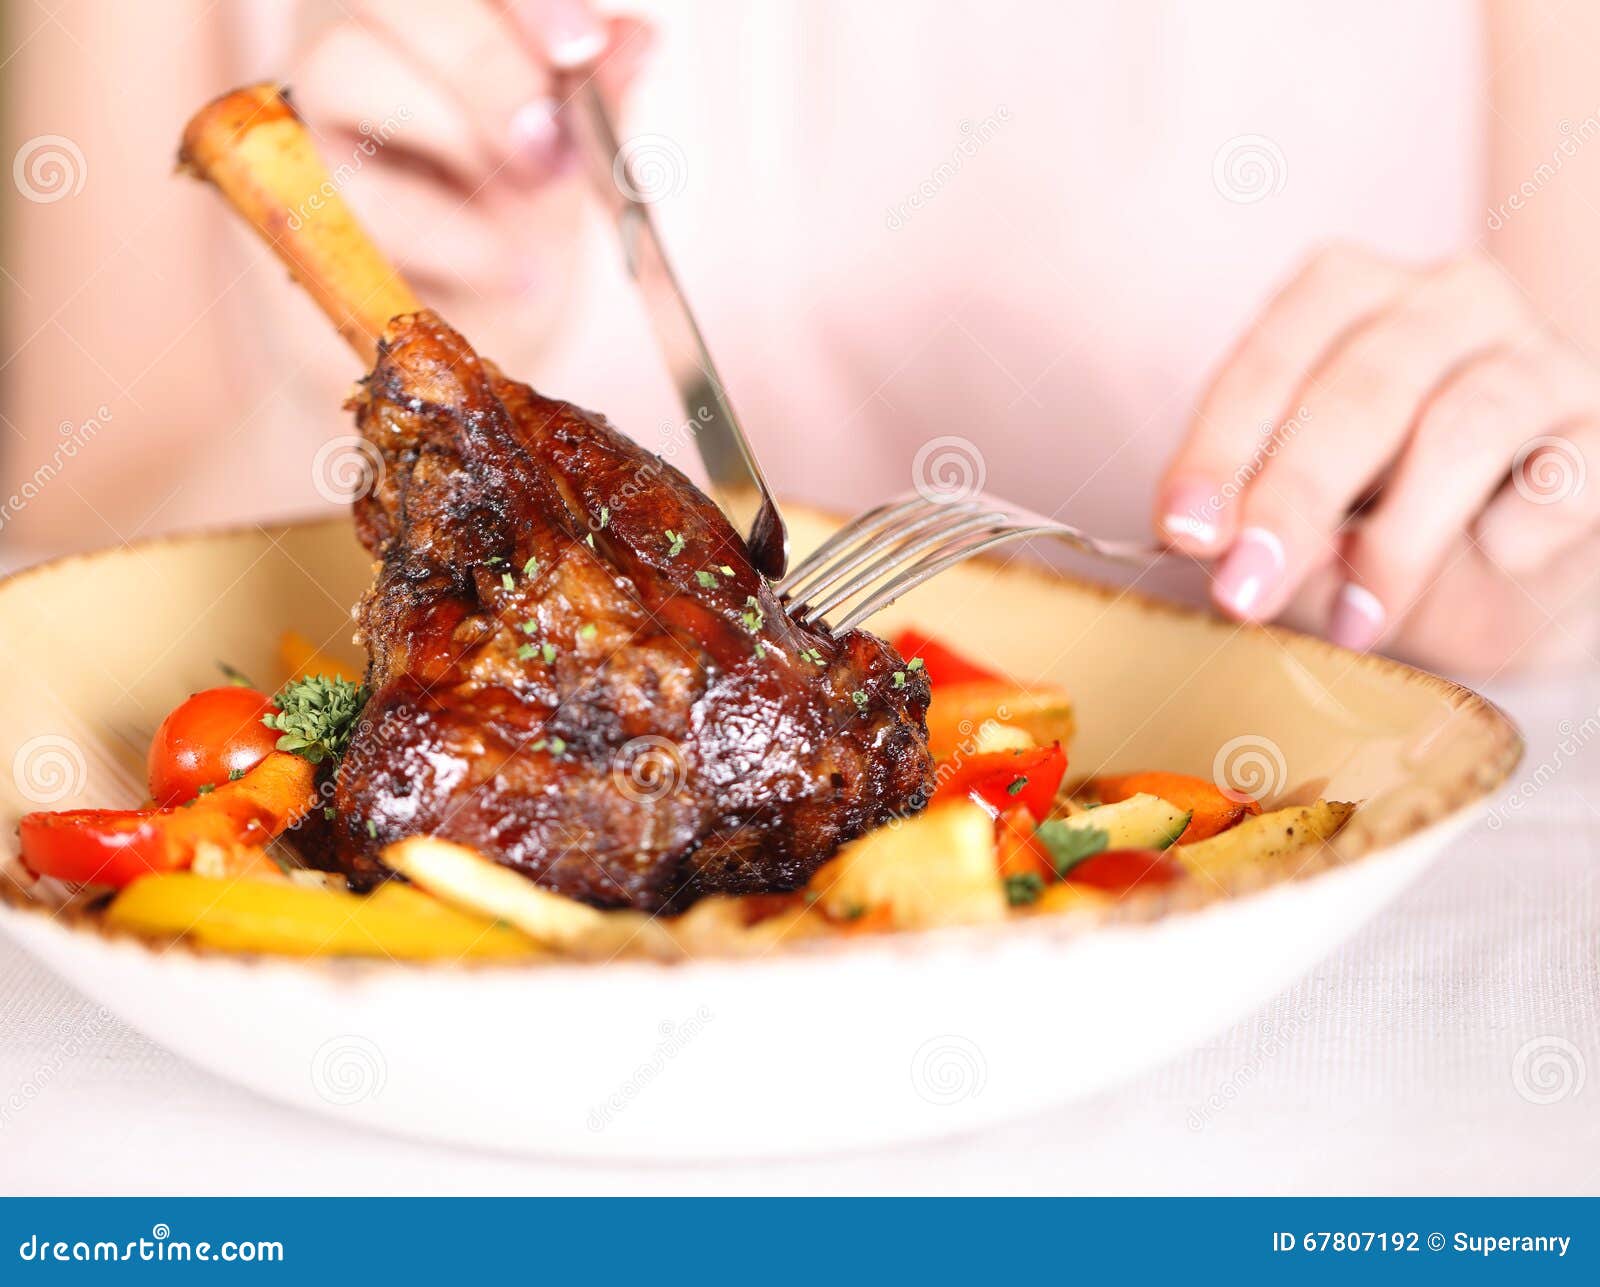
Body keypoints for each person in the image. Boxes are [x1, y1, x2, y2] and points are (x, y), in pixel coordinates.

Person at [5, 0, 1597, 676]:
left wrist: (1518, 526)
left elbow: (1564, 462)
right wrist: (349, 394)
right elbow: (57, 581)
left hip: (1303, 1005)